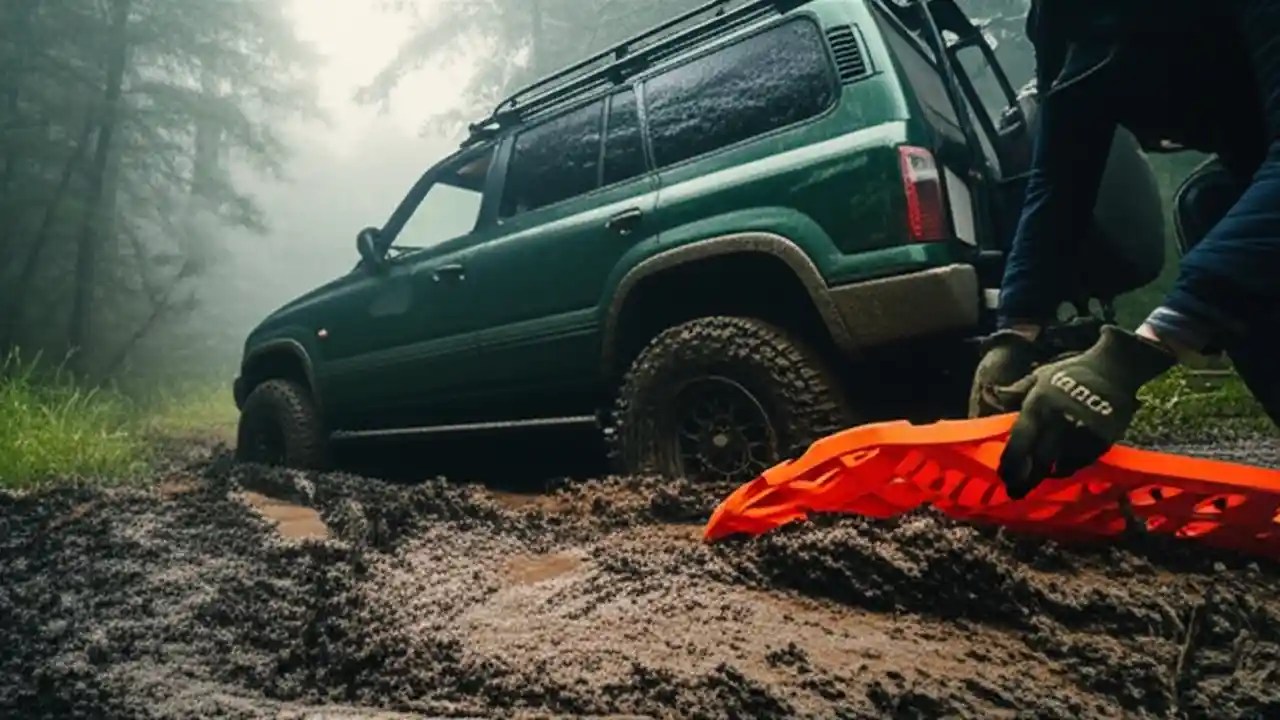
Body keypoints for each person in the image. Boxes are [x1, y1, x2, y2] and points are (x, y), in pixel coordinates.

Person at [968, 0, 1280, 499]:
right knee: (1212, 206)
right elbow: (1059, 180)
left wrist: (1134, 354)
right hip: (1256, 158)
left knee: (1220, 211)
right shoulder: (1060, 24)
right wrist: (1015, 330)